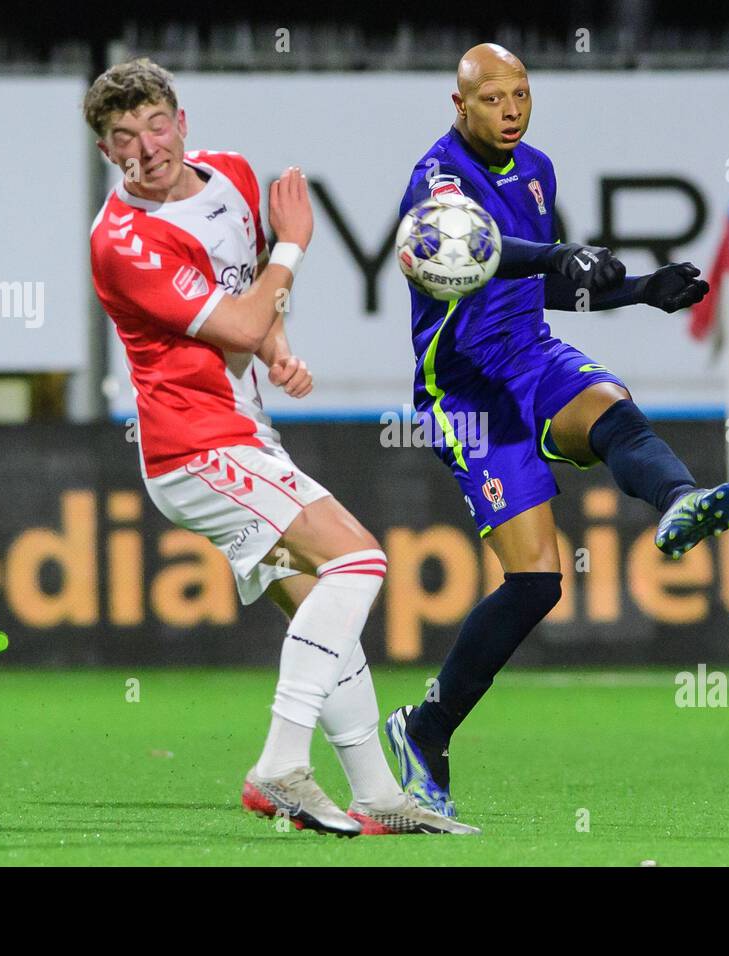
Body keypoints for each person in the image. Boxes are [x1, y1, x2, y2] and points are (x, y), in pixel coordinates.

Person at [85, 58, 477, 835]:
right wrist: (294, 245)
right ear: (107, 153)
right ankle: (278, 765)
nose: (146, 148)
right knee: (358, 560)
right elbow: (237, 316)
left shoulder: (227, 175)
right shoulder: (121, 241)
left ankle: (374, 796)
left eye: (156, 125)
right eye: (123, 138)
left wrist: (278, 349)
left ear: (181, 121)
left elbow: (251, 300)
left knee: (323, 613)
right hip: (194, 447)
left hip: (241, 433)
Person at [386, 44, 729, 817]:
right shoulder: (438, 177)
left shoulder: (538, 168)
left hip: (532, 354)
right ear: (460, 106)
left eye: (521, 94)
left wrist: (645, 288)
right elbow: (467, 248)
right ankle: (425, 729)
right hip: (468, 389)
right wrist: (557, 251)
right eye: (494, 99)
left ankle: (680, 499)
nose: (511, 110)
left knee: (610, 404)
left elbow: (548, 279)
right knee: (538, 582)